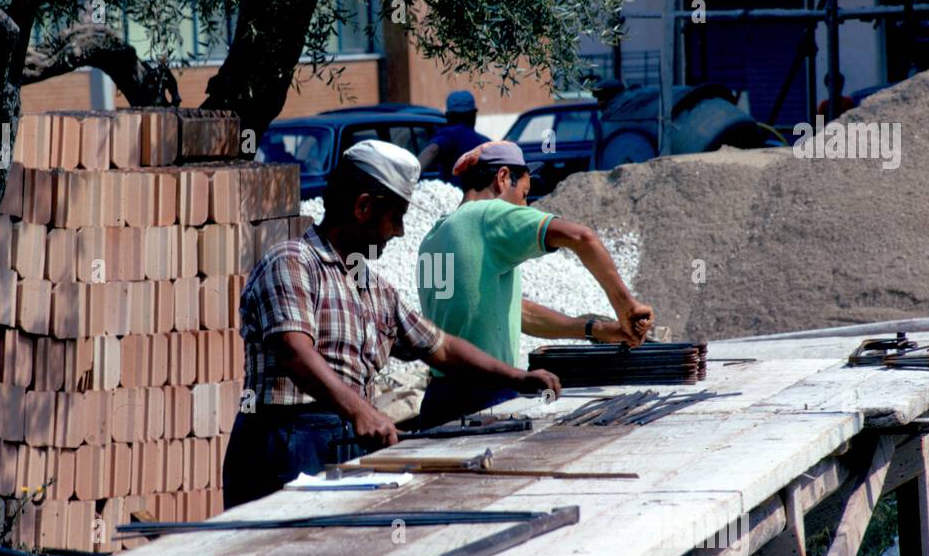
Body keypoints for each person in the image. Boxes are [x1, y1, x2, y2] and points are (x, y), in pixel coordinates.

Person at [222, 140, 561, 508]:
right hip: (285, 443)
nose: (399, 232)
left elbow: (440, 346)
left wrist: (516, 378)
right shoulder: (292, 262)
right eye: (395, 217)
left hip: (344, 440)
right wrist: (361, 411)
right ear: (363, 207)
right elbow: (295, 352)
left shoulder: (373, 288)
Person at [416, 140, 654, 428]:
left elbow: (515, 313)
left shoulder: (434, 237)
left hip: (439, 399)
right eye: (524, 194)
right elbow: (581, 237)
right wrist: (626, 307)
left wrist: (594, 329)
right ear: (502, 178)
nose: (525, 206)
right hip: (483, 396)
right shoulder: (489, 215)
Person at [417, 90, 490, 179]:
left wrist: (410, 177)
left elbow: (432, 150)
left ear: (448, 116)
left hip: (452, 191)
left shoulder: (450, 134)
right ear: (474, 115)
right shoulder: (485, 142)